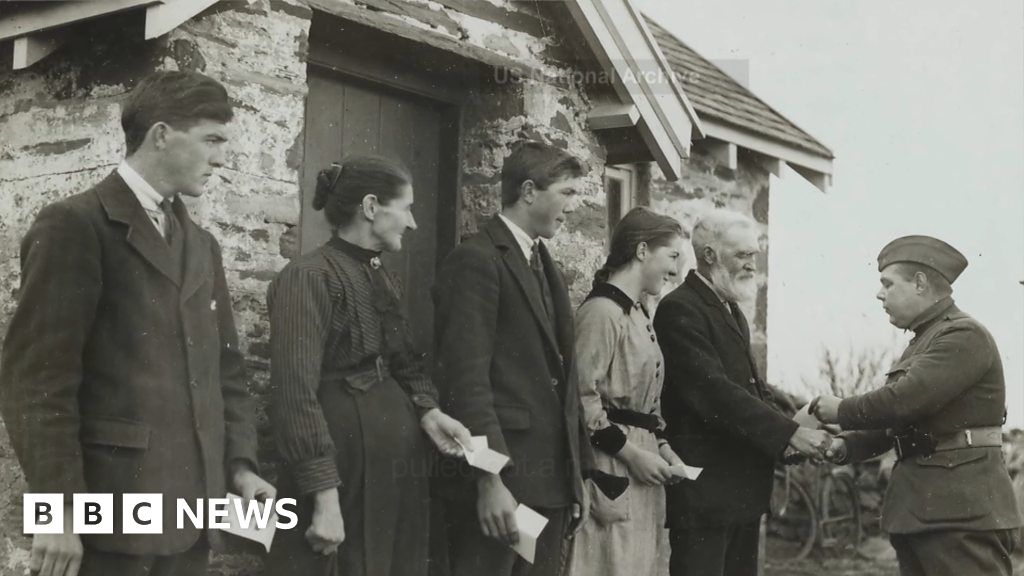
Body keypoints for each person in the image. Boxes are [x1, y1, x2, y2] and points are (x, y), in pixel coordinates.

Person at [0, 70, 275, 576]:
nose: (221, 158)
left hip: (191, 517)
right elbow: (37, 381)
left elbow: (226, 374)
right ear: (161, 135)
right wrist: (57, 513)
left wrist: (240, 466)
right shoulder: (75, 224)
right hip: (107, 522)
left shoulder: (203, 246)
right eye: (212, 140)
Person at [263, 156, 471, 576]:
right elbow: (294, 394)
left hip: (393, 461)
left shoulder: (382, 277)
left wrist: (429, 412)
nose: (413, 223)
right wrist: (324, 497)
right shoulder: (308, 277)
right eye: (406, 208)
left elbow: (404, 362)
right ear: (371, 207)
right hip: (343, 463)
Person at [812, 235, 1023, 576]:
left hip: (959, 513)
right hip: (927, 510)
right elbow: (900, 423)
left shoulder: (964, 335)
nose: (879, 294)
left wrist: (841, 410)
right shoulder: (924, 341)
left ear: (920, 283)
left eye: (888, 284)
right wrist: (845, 446)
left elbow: (905, 401)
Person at [433, 140, 590, 576]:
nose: (573, 207)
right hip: (501, 489)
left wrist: (575, 478)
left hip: (548, 486)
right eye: (566, 192)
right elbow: (465, 383)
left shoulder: (542, 262)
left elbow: (563, 382)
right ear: (528, 191)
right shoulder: (476, 260)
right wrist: (489, 478)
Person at [653, 209, 832, 576]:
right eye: (742, 254)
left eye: (754, 254)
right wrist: (790, 433)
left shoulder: (730, 309)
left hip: (740, 492)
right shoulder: (679, 309)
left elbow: (751, 389)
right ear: (709, 255)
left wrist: (785, 442)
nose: (752, 264)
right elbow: (714, 392)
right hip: (705, 495)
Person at [567, 207, 688, 576]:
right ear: (642, 250)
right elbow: (581, 400)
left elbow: (647, 405)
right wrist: (634, 456)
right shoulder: (602, 313)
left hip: (642, 465)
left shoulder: (637, 313)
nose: (675, 270)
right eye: (672, 256)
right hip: (612, 462)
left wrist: (663, 449)